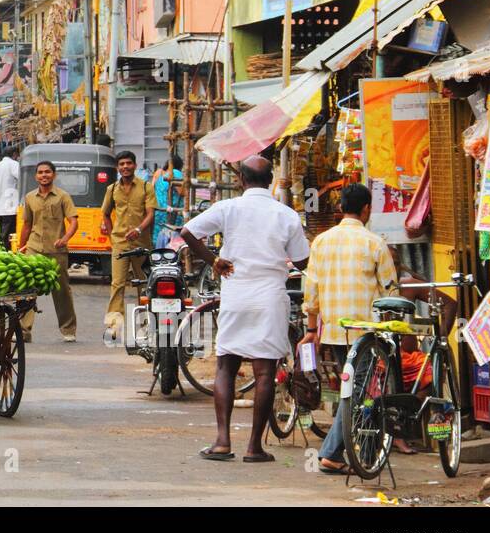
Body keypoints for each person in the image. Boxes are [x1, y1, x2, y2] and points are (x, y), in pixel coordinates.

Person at [181, 156, 310, 463]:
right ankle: (254, 447)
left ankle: (222, 441)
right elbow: (303, 261)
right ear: (271, 180)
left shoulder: (229, 208)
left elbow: (187, 233)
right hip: (269, 296)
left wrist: (213, 259)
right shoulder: (286, 215)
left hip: (236, 292)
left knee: (226, 365)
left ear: (241, 179)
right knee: (265, 371)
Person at [300, 184, 401, 474]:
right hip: (366, 333)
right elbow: (390, 292)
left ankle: (361, 449)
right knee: (360, 391)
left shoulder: (320, 242)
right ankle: (331, 452)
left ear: (341, 207)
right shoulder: (374, 243)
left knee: (355, 389)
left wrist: (311, 330)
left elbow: (312, 293)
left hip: (335, 331)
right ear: (366, 209)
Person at [17, 161, 79, 342]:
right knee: (27, 288)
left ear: (54, 175)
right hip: (34, 249)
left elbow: (73, 221)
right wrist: (21, 248)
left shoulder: (63, 196)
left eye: (47, 172)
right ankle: (24, 330)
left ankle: (68, 329)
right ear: (36, 176)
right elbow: (27, 225)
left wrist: (65, 238)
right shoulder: (29, 197)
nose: (44, 175)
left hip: (56, 251)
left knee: (61, 291)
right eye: (40, 172)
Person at [100, 150, 155, 338]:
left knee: (145, 284)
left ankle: (146, 323)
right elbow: (105, 213)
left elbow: (150, 214)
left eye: (128, 163)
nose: (125, 167)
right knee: (117, 284)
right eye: (122, 164)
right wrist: (113, 237)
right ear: (118, 167)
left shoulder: (146, 187)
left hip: (142, 243)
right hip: (120, 244)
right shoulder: (112, 189)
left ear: (135, 165)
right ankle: (115, 325)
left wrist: (139, 229)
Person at [0, 146, 21, 250]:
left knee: (2, 233)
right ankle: (8, 252)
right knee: (9, 234)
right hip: (10, 206)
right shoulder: (14, 165)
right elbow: (22, 178)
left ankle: (2, 250)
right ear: (15, 154)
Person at [152, 154, 185, 249]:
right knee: (172, 244)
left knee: (159, 242)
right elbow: (182, 192)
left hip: (159, 211)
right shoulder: (176, 173)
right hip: (172, 214)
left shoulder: (159, 174)